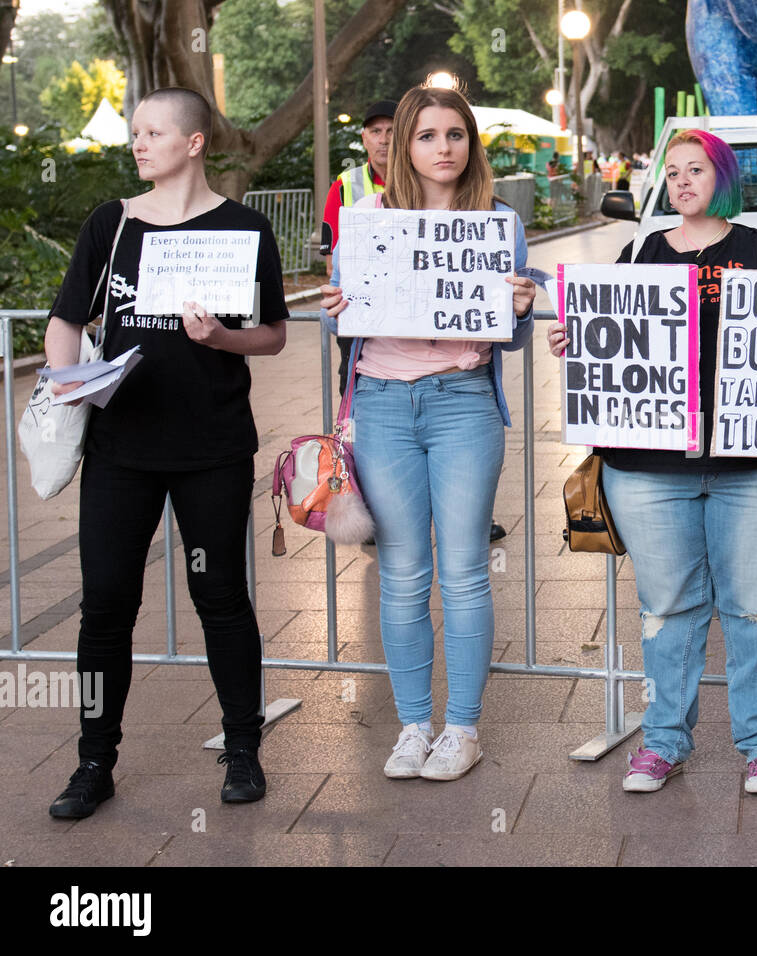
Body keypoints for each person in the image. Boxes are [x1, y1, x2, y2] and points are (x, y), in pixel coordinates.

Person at [547, 129, 757, 795]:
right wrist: (576, 340)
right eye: (673, 172)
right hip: (648, 469)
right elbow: (612, 343)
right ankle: (663, 741)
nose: (683, 181)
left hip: (754, 466)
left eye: (697, 169)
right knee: (666, 608)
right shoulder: (641, 254)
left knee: (756, 607)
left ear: (723, 178)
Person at [43, 88, 289, 819]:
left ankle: (242, 748)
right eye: (135, 133)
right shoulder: (112, 223)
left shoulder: (244, 228)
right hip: (120, 446)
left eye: (152, 132)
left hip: (212, 445)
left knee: (221, 596)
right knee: (104, 605)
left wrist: (222, 338)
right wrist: (66, 380)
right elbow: (65, 320)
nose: (138, 145)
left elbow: (273, 333)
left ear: (194, 142)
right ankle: (93, 761)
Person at [318, 84, 535, 781]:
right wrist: (334, 307)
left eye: (456, 134)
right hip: (382, 404)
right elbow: (340, 321)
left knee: (465, 571)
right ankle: (413, 726)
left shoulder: (498, 221)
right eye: (428, 135)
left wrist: (521, 308)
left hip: (463, 402)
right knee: (403, 572)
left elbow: (513, 336)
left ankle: (462, 728)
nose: (444, 148)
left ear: (471, 144)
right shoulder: (366, 219)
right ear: (404, 145)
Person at [323, 100, 394, 398]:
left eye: (391, 131)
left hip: (410, 316)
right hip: (359, 318)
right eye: (376, 131)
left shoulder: (428, 182)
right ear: (364, 138)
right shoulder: (344, 185)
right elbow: (333, 265)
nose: (384, 139)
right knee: (353, 396)